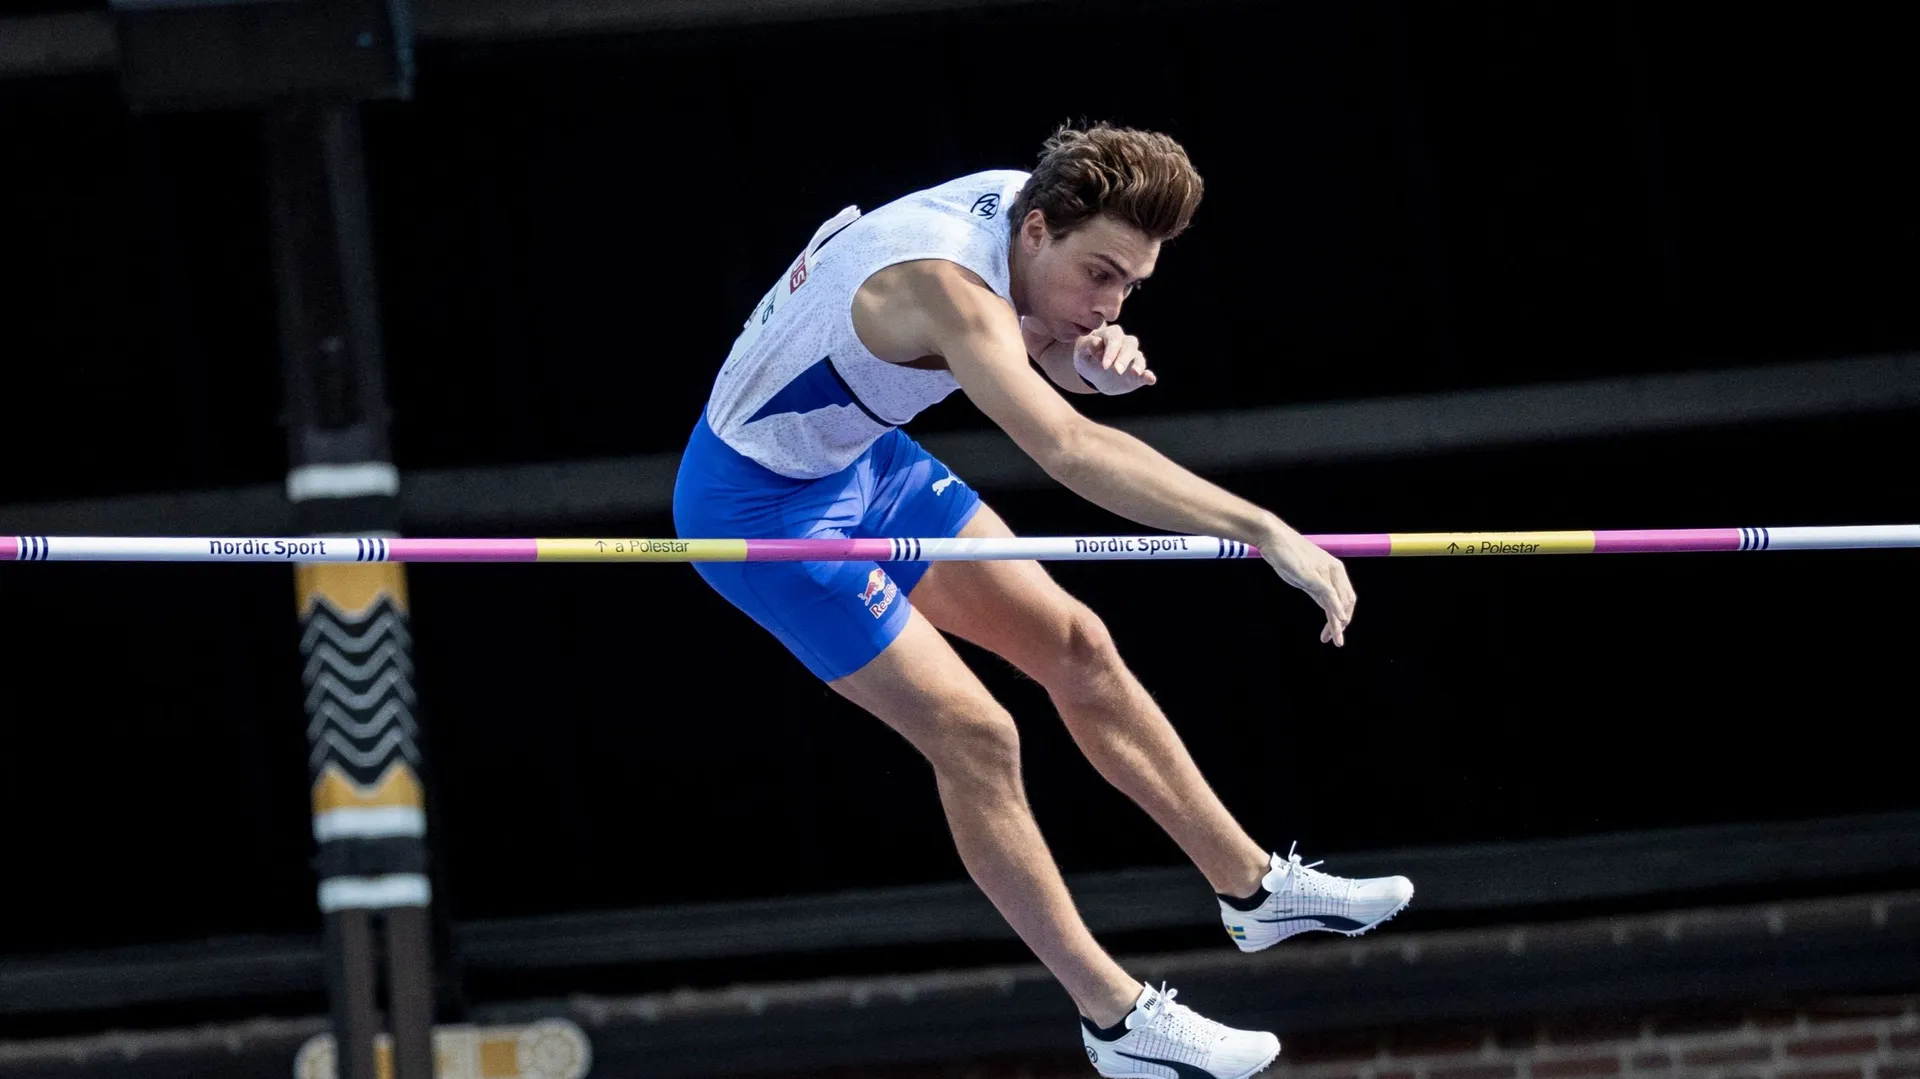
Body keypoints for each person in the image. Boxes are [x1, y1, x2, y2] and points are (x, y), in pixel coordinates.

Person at [673, 122, 1414, 1079]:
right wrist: (1263, 527)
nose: (1110, 302)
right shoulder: (945, 283)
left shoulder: (1016, 204)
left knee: (1077, 641)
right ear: (1037, 231)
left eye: (1130, 287)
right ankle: (1115, 1021)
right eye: (1100, 275)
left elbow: (1032, 358)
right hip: (759, 503)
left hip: (858, 452)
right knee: (979, 734)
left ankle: (1253, 889)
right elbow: (1064, 449)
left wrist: (1077, 362)